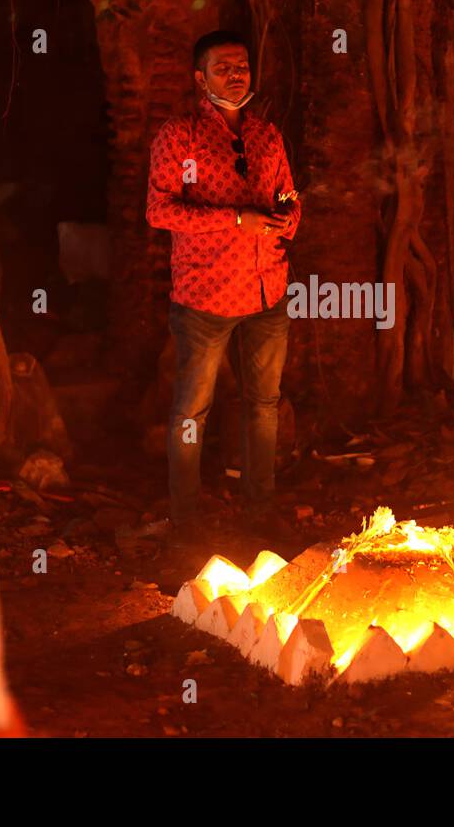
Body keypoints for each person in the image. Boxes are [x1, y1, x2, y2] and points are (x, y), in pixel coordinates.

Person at [146, 30, 301, 532]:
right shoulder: (179, 135)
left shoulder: (267, 135)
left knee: (264, 404)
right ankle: (186, 517)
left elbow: (288, 196)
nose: (236, 76)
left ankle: (260, 510)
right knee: (192, 410)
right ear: (200, 77)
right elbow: (159, 209)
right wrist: (236, 219)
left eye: (242, 67)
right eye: (223, 68)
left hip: (266, 290)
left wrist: (288, 218)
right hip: (204, 295)